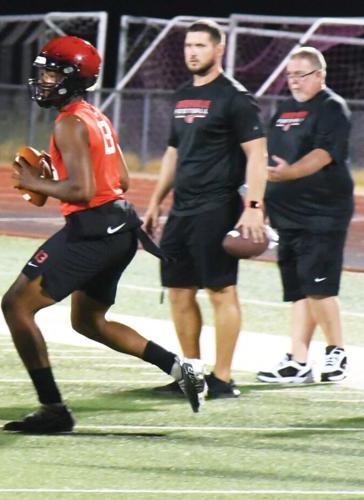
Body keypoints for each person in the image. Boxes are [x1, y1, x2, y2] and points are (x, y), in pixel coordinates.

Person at [2, 36, 207, 433]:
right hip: (119, 231)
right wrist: (59, 178)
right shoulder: (94, 115)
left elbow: (81, 190)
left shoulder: (69, 123)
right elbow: (121, 180)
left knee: (16, 306)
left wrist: (36, 182)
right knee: (90, 321)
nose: (42, 81)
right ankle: (179, 368)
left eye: (50, 73)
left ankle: (53, 410)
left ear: (72, 78)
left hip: (93, 231)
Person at [142, 20, 269, 399]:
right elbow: (173, 152)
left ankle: (224, 378)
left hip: (217, 206)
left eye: (200, 45)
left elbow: (257, 154)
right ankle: (192, 374)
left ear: (219, 49)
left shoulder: (235, 97)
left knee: (220, 291)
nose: (192, 52)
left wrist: (254, 206)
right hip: (182, 209)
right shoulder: (182, 95)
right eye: (187, 46)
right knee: (179, 291)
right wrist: (155, 201)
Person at [255, 47, 351, 384]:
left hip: (322, 212)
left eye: (301, 74)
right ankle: (298, 361)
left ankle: (337, 351)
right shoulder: (283, 109)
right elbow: (271, 160)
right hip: (287, 212)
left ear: (320, 75)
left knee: (319, 287)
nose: (294, 81)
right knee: (298, 288)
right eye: (290, 74)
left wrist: (289, 173)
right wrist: (262, 202)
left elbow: (324, 155)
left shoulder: (332, 108)